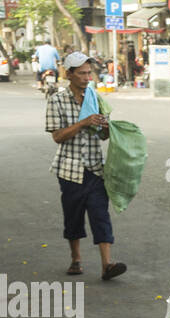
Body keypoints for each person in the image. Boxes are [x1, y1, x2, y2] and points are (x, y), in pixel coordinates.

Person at [45, 52, 126, 281]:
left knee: (101, 215)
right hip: (69, 170)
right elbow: (58, 136)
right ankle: (76, 259)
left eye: (89, 72)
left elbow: (102, 137)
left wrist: (108, 128)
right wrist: (83, 123)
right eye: (81, 73)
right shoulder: (57, 101)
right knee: (73, 217)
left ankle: (107, 264)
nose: (87, 77)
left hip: (95, 168)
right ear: (69, 75)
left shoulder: (96, 98)